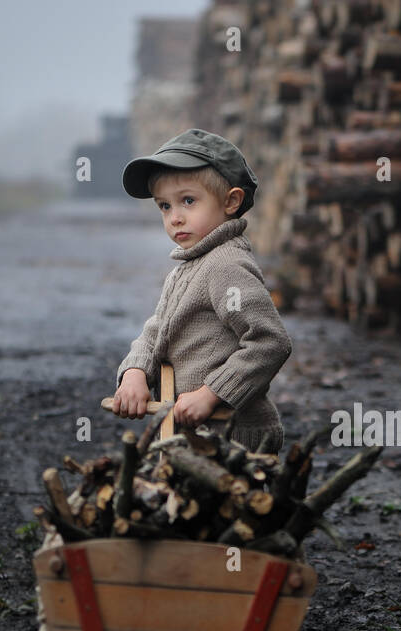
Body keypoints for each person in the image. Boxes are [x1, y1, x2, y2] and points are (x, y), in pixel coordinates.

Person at [110, 128, 292, 454]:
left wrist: (212, 393)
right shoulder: (190, 266)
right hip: (189, 434)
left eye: (188, 201)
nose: (175, 218)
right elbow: (157, 330)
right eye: (164, 206)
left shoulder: (226, 265)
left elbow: (269, 342)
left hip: (230, 437)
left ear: (231, 201)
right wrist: (135, 371)